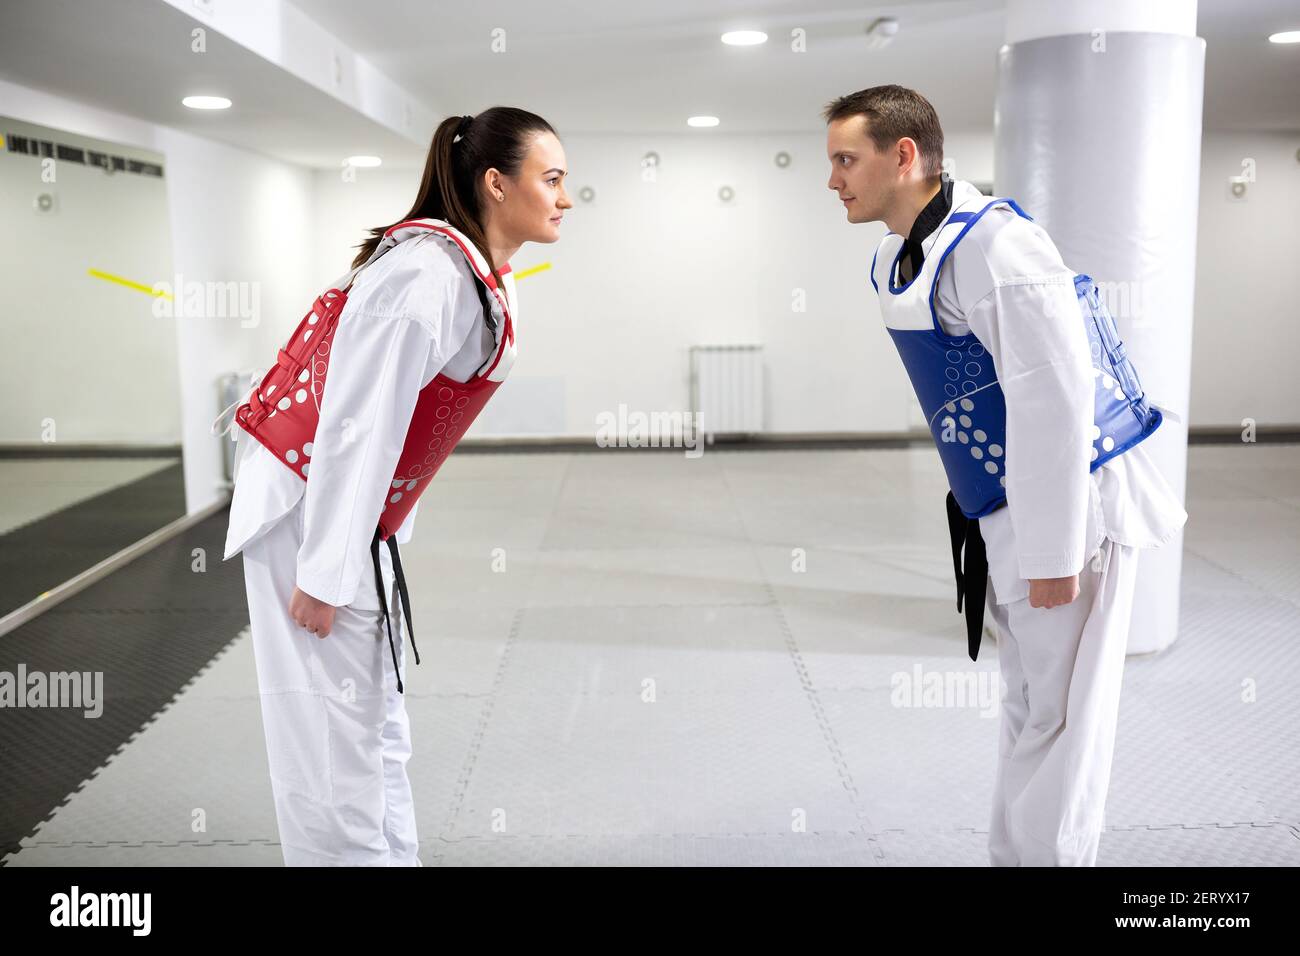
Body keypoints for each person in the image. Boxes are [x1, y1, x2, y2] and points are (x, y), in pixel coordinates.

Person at [824, 85, 1187, 866]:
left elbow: (1056, 402)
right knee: (1030, 703)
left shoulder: (999, 249)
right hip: (1004, 503)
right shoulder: (902, 255)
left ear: (905, 155)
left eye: (846, 160)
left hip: (1074, 506)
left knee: (1064, 717)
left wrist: (1053, 555)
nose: (834, 180)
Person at [213, 107, 570, 866]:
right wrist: (325, 571)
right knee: (329, 744)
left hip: (349, 519)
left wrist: (368, 544)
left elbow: (397, 426)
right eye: (553, 178)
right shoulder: (421, 277)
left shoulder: (463, 271)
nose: (566, 197)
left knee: (373, 727)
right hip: (307, 512)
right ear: (497, 185)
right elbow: (353, 429)